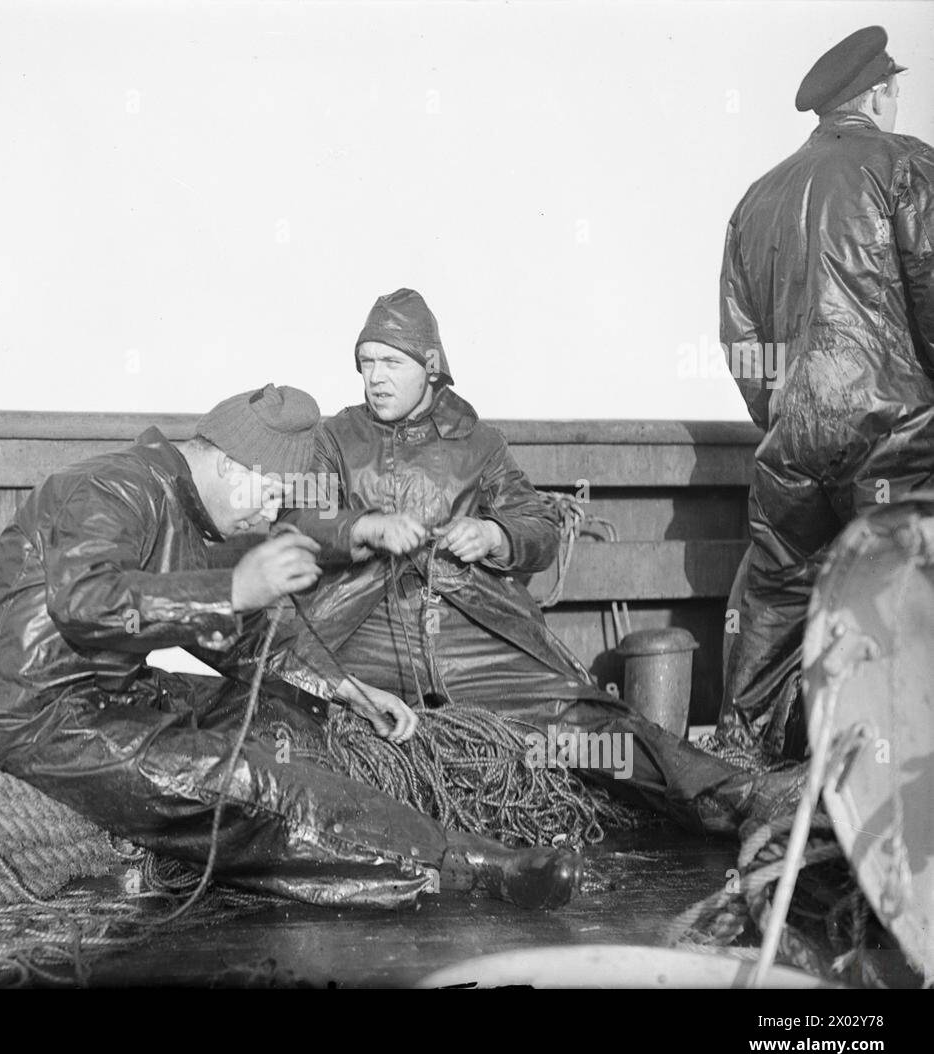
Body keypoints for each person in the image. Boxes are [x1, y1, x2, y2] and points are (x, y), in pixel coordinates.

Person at [0, 383, 581, 910]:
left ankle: (409, 839)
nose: (267, 517)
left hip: (113, 695)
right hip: (43, 720)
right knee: (256, 782)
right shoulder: (111, 488)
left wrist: (347, 689)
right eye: (268, 493)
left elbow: (241, 640)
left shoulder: (186, 507)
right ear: (230, 464)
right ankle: (478, 869)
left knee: (291, 720)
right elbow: (88, 603)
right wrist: (234, 586)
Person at [270, 288, 799, 833]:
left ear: (430, 368)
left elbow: (538, 526)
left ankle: (742, 798)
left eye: (390, 362)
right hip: (367, 630)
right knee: (295, 713)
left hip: (468, 632)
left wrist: (495, 535)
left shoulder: (480, 444)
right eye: (366, 363)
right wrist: (363, 526)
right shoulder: (335, 438)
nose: (374, 377)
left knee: (588, 727)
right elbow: (295, 519)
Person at [718, 26, 934, 752]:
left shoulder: (755, 200)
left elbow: (742, 345)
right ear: (879, 93)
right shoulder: (907, 167)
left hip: (794, 444)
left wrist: (786, 412)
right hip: (898, 438)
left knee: (777, 599)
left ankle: (738, 767)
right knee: (901, 598)